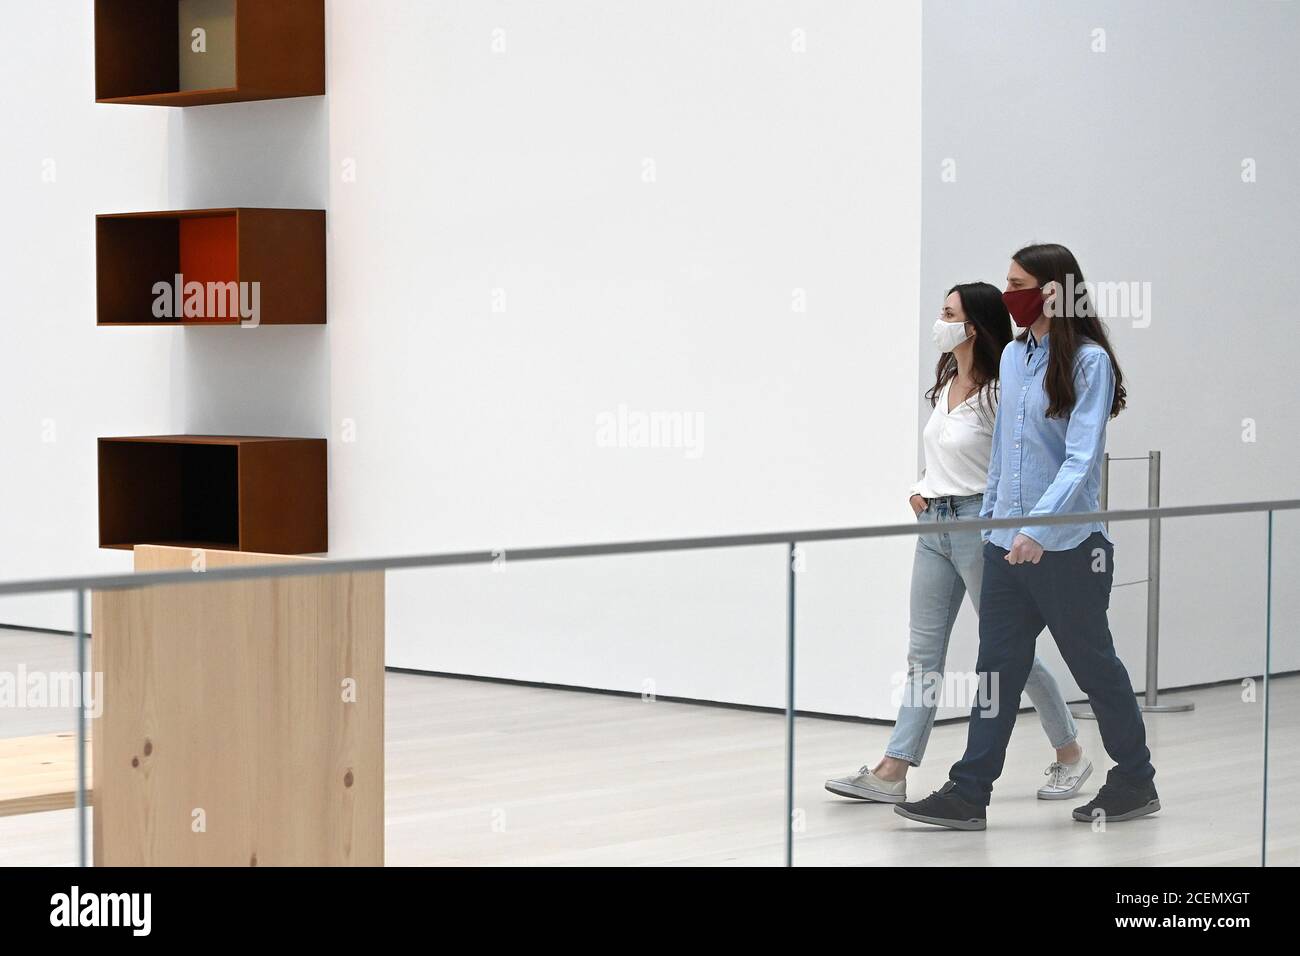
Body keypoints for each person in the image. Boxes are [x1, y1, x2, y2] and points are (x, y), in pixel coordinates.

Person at [895, 244, 1159, 831]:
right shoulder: (1014, 358)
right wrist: (996, 528)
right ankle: (969, 791)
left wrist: (1038, 530)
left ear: (1054, 291)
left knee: (1094, 665)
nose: (1008, 292)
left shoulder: (1089, 362)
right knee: (996, 671)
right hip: (1004, 545)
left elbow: (1080, 459)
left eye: (1019, 283)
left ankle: (1136, 779)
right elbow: (1005, 460)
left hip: (1068, 550)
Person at [825, 282, 1087, 805]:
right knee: (923, 654)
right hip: (934, 528)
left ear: (972, 326)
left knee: (1009, 650)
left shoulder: (998, 392)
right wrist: (921, 488)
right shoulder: (946, 380)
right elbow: (946, 452)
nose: (938, 321)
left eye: (948, 313)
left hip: (976, 525)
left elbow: (1013, 463)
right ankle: (893, 769)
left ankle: (1070, 753)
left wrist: (1013, 524)